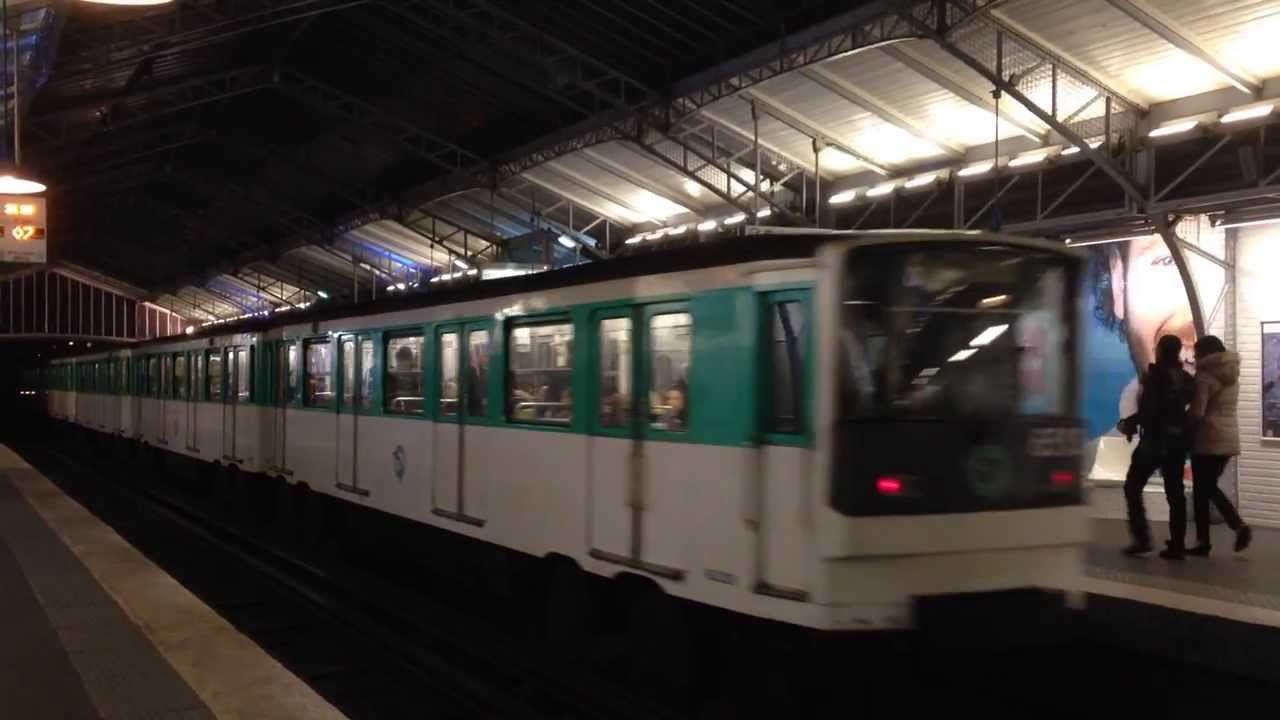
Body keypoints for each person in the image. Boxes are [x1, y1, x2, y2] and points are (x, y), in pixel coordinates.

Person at [1120, 334, 1194, 558]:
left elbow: (1149, 411)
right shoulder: (1186, 379)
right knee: (1175, 494)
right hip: (1176, 443)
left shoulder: (1154, 377)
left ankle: (1142, 538)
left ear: (1160, 351)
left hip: (1153, 442)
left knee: (1132, 487)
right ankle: (1178, 544)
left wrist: (1131, 424)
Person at [1186, 335, 1252, 555]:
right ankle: (1221, 532)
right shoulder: (1231, 374)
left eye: (1196, 354)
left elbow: (1197, 412)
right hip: (1228, 439)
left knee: (1203, 490)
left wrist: (1183, 426)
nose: (1194, 358)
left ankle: (1215, 536)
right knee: (1208, 488)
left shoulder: (1205, 377)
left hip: (1207, 439)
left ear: (1204, 353)